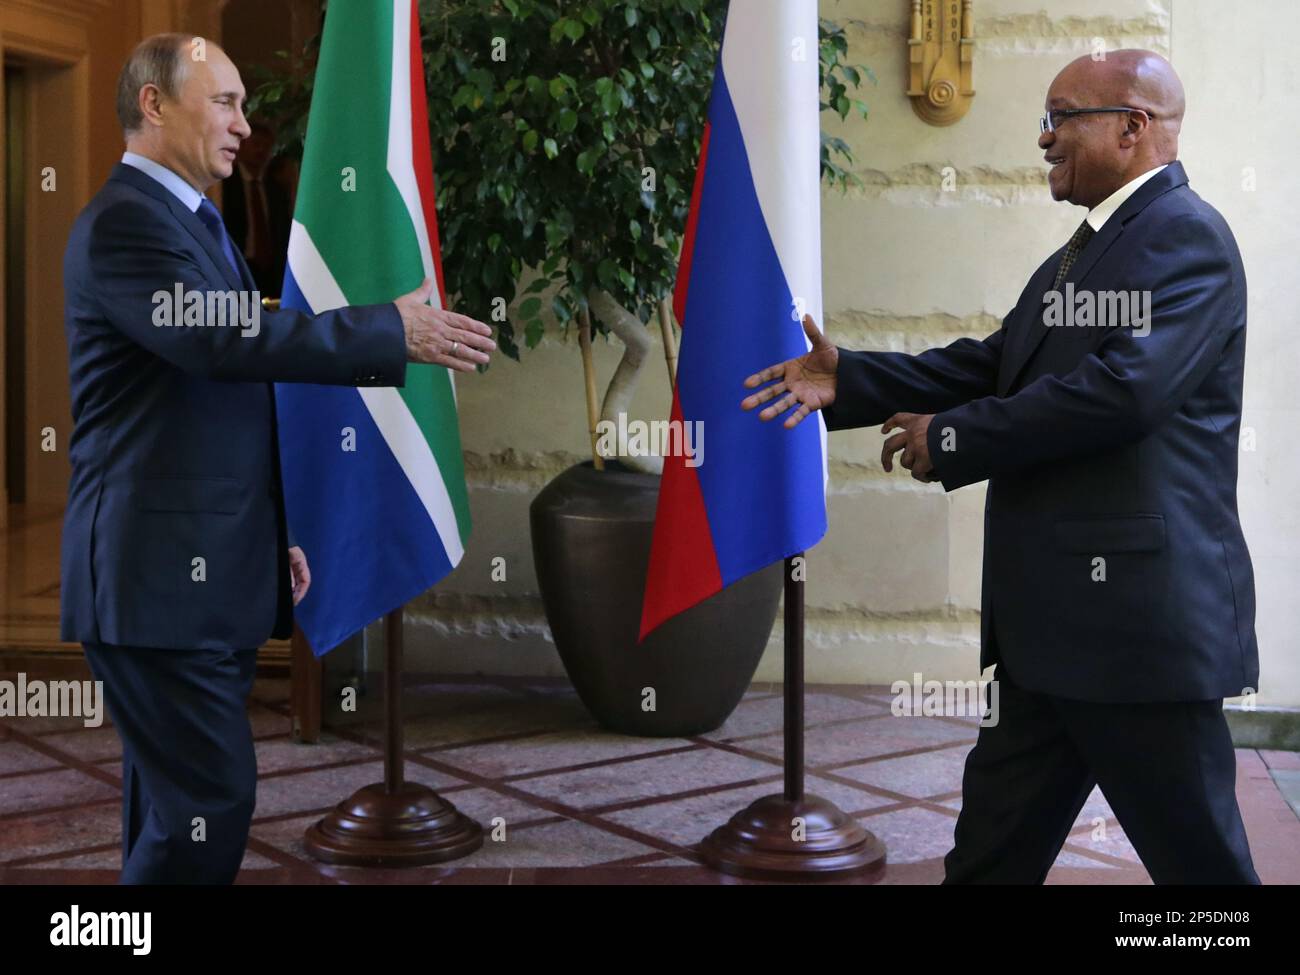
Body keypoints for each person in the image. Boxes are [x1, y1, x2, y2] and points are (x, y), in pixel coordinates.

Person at [742, 49, 1260, 884]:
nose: (1044, 139)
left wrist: (953, 438)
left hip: (1136, 639)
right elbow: (1001, 362)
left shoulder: (1187, 238)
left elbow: (1122, 394)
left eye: (1062, 117)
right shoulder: (1091, 247)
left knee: (1204, 882)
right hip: (1048, 640)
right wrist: (858, 377)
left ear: (1132, 128)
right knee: (987, 863)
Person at [60, 33, 496, 884]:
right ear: (154, 105)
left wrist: (270, 535)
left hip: (184, 575)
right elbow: (222, 340)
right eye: (223, 102)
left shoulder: (189, 220)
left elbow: (221, 403)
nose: (243, 125)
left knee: (171, 808)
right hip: (152, 583)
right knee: (208, 806)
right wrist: (386, 329)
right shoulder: (125, 224)